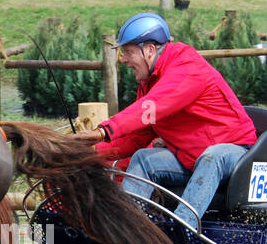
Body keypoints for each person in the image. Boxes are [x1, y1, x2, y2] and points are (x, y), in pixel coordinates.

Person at [78, 12, 257, 232]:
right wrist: (90, 152)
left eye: (128, 52)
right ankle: (127, 232)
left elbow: (151, 106)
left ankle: (180, 234)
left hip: (237, 153)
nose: (124, 60)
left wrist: (102, 131)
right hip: (191, 158)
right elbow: (137, 136)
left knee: (213, 156)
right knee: (144, 158)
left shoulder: (187, 67)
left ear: (150, 50)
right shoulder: (149, 82)